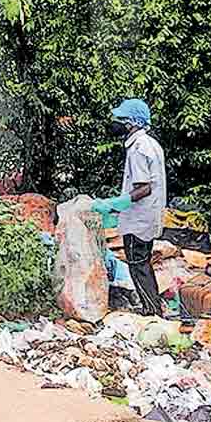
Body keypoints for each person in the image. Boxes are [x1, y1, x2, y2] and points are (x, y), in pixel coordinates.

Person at [91, 100, 166, 316]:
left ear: (132, 123)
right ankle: (153, 306)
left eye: (120, 119)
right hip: (147, 216)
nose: (116, 123)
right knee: (143, 263)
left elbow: (144, 188)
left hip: (139, 219)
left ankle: (151, 311)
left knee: (137, 265)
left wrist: (114, 204)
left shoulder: (139, 149)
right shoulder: (150, 144)